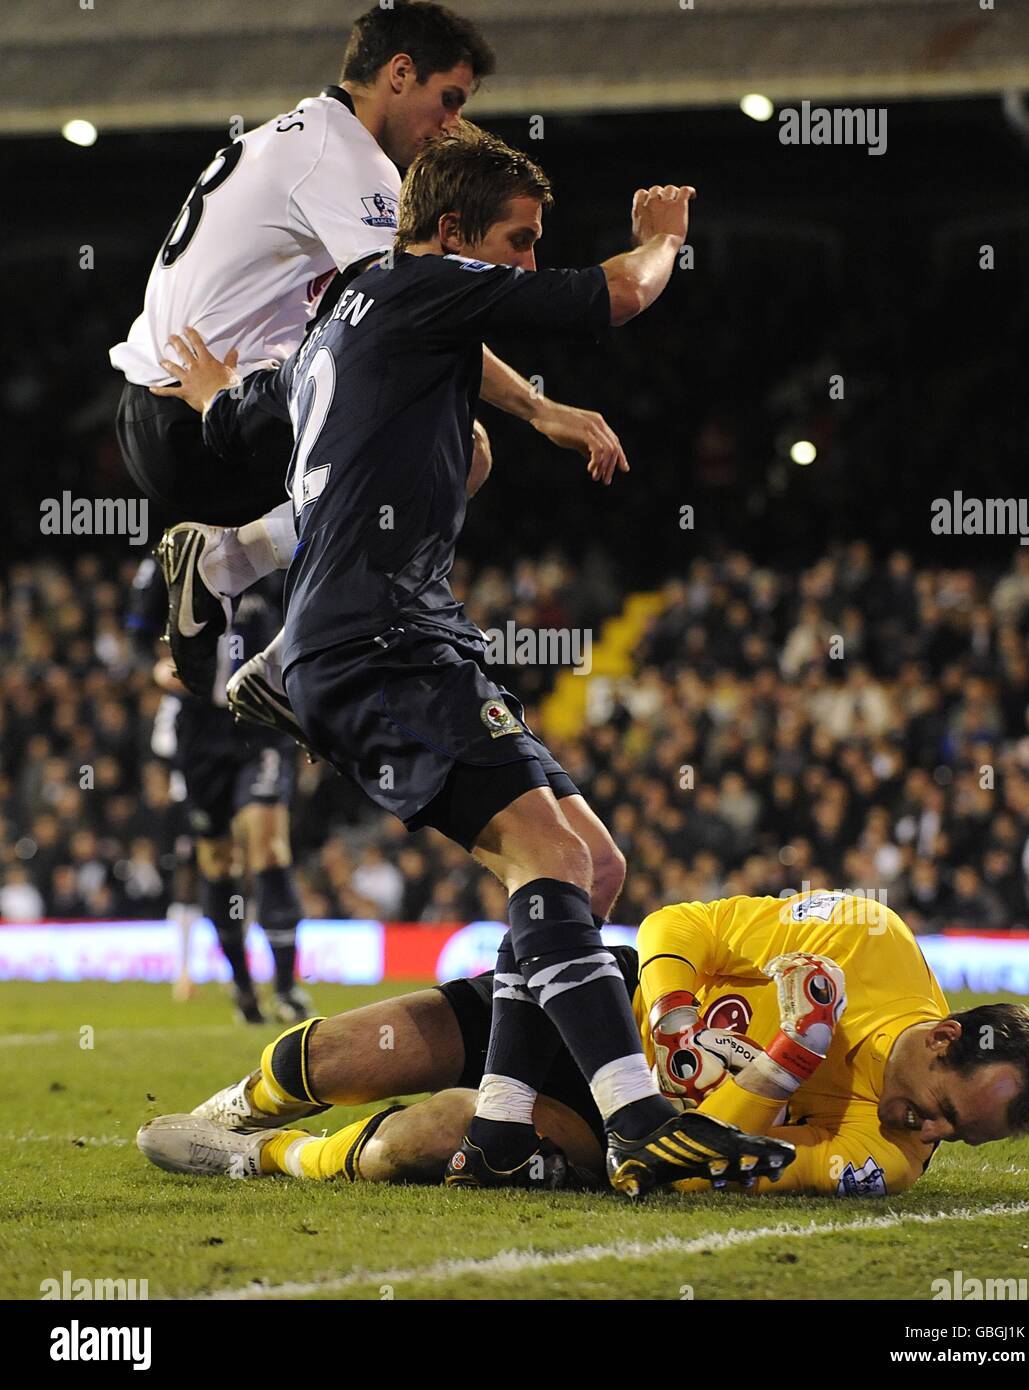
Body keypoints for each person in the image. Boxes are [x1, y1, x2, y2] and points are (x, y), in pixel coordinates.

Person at [138, 126, 795, 1199]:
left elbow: (236, 417)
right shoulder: (423, 285)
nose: (527, 266)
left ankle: (497, 1128)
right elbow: (621, 296)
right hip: (379, 640)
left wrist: (213, 389)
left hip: (401, 635)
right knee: (545, 851)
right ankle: (639, 1117)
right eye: (518, 242)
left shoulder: (341, 321)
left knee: (592, 866)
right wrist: (661, 240)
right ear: (451, 235)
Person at [109, 1, 626, 704]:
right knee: (456, 446)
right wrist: (537, 409)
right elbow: (409, 321)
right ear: (399, 73)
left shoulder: (304, 136)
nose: (453, 123)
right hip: (202, 421)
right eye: (448, 100)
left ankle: (242, 590)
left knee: (430, 428)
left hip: (186, 408)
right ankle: (262, 617)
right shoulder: (346, 158)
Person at [137, 890, 1029, 1195]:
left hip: (635, 1134)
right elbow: (680, 925)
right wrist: (666, 1010)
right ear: (942, 1036)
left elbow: (701, 1168)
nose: (926, 1134)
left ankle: (262, 1157)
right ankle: (238, 1107)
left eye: (954, 1139)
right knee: (343, 1052)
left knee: (435, 1135)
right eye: (942, 1112)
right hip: (614, 1008)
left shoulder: (886, 1159)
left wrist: (783, 1062)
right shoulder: (867, 935)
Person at [127, 559, 311, 1023]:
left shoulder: (271, 554)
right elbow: (138, 635)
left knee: (269, 847)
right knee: (218, 861)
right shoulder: (170, 562)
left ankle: (287, 989)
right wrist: (156, 668)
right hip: (200, 731)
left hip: (260, 722)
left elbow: (304, 619)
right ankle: (243, 987)